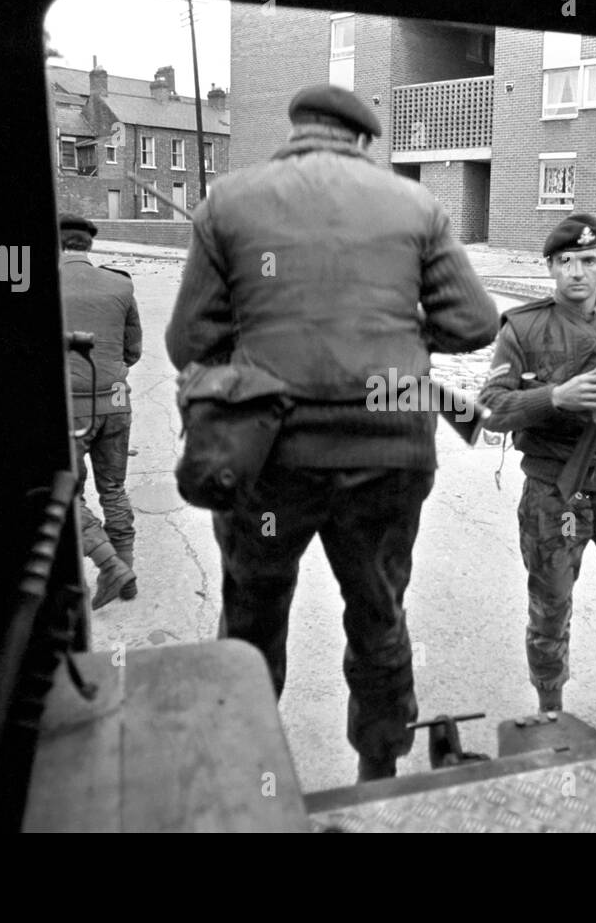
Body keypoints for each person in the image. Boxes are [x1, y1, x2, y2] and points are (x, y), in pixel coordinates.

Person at [164, 84, 499, 781]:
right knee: (378, 611)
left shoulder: (227, 202)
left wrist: (257, 343)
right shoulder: (416, 205)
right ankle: (378, 772)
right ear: (363, 140)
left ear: (296, 130)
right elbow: (474, 322)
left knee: (251, 614)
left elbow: (187, 341)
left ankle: (247, 779)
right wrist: (399, 335)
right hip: (388, 454)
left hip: (267, 459)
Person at [477, 214, 596, 732]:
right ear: (550, 268)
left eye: (587, 260)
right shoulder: (523, 327)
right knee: (549, 609)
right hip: (553, 494)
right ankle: (550, 714)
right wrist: (555, 397)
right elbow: (490, 408)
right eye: (565, 261)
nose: (576, 272)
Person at [58, 212, 142, 609]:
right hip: (116, 400)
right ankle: (126, 577)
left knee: (65, 493)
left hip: (72, 409)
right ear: (89, 245)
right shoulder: (120, 284)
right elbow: (133, 351)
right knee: (114, 488)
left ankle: (111, 565)